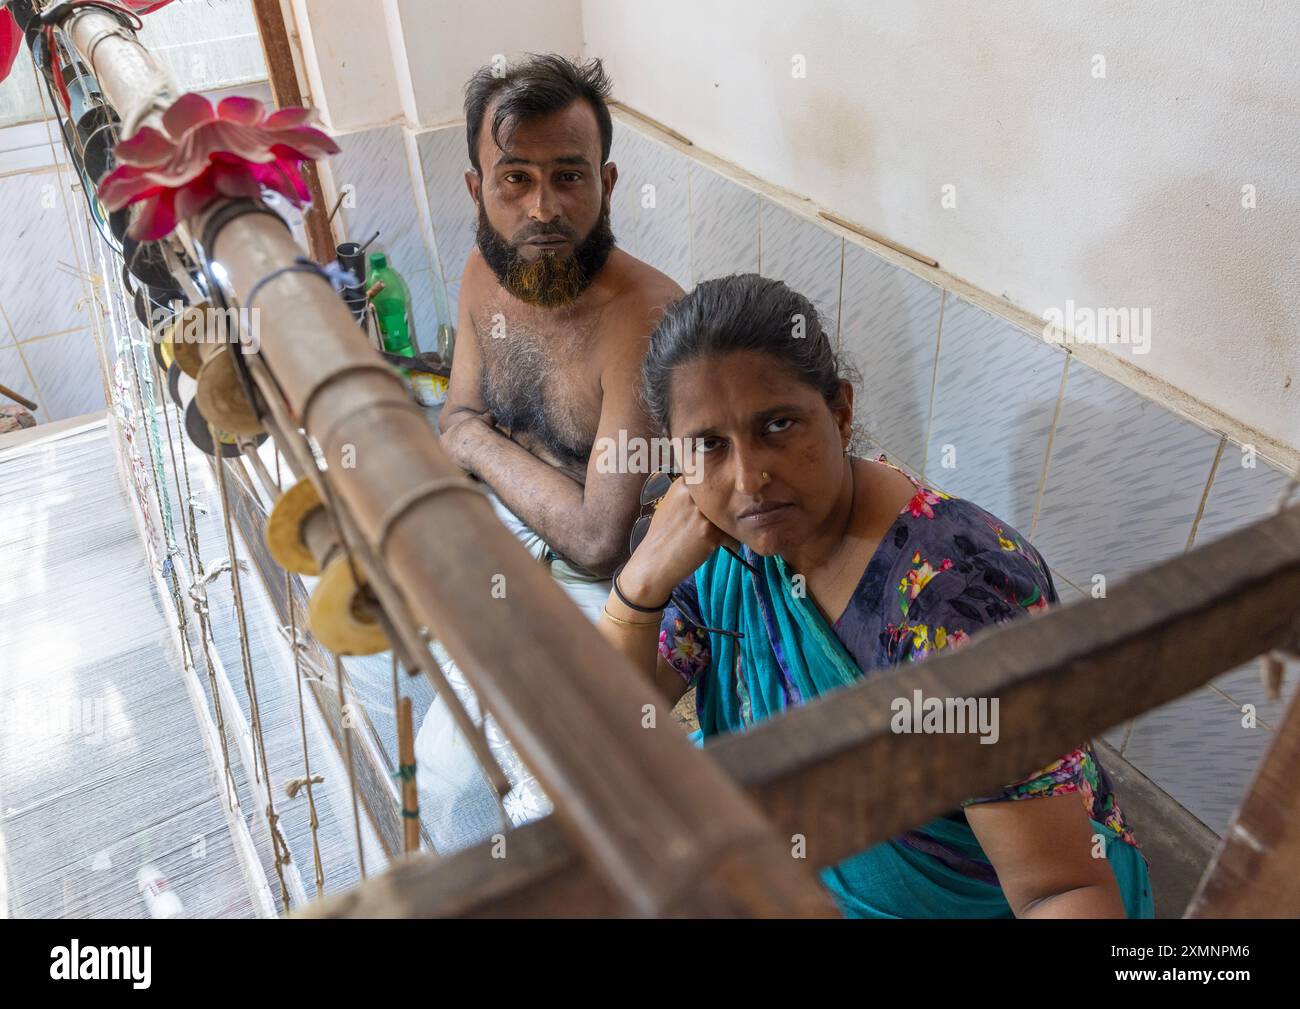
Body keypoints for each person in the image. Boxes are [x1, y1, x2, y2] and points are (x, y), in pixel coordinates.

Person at [597, 273, 1155, 918]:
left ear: (840, 414)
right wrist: (640, 585)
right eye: (708, 445)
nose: (749, 479)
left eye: (778, 425)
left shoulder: (952, 601)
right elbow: (605, 738)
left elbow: (1061, 890)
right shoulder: (719, 545)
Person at [416, 54, 681, 849]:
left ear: (606, 182)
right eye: (515, 179)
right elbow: (457, 414)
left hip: (603, 588)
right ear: (477, 189)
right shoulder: (480, 273)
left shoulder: (645, 315)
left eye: (569, 177)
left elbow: (599, 538)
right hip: (501, 541)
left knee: (536, 802)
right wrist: (467, 436)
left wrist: (474, 440)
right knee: (431, 750)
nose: (543, 207)